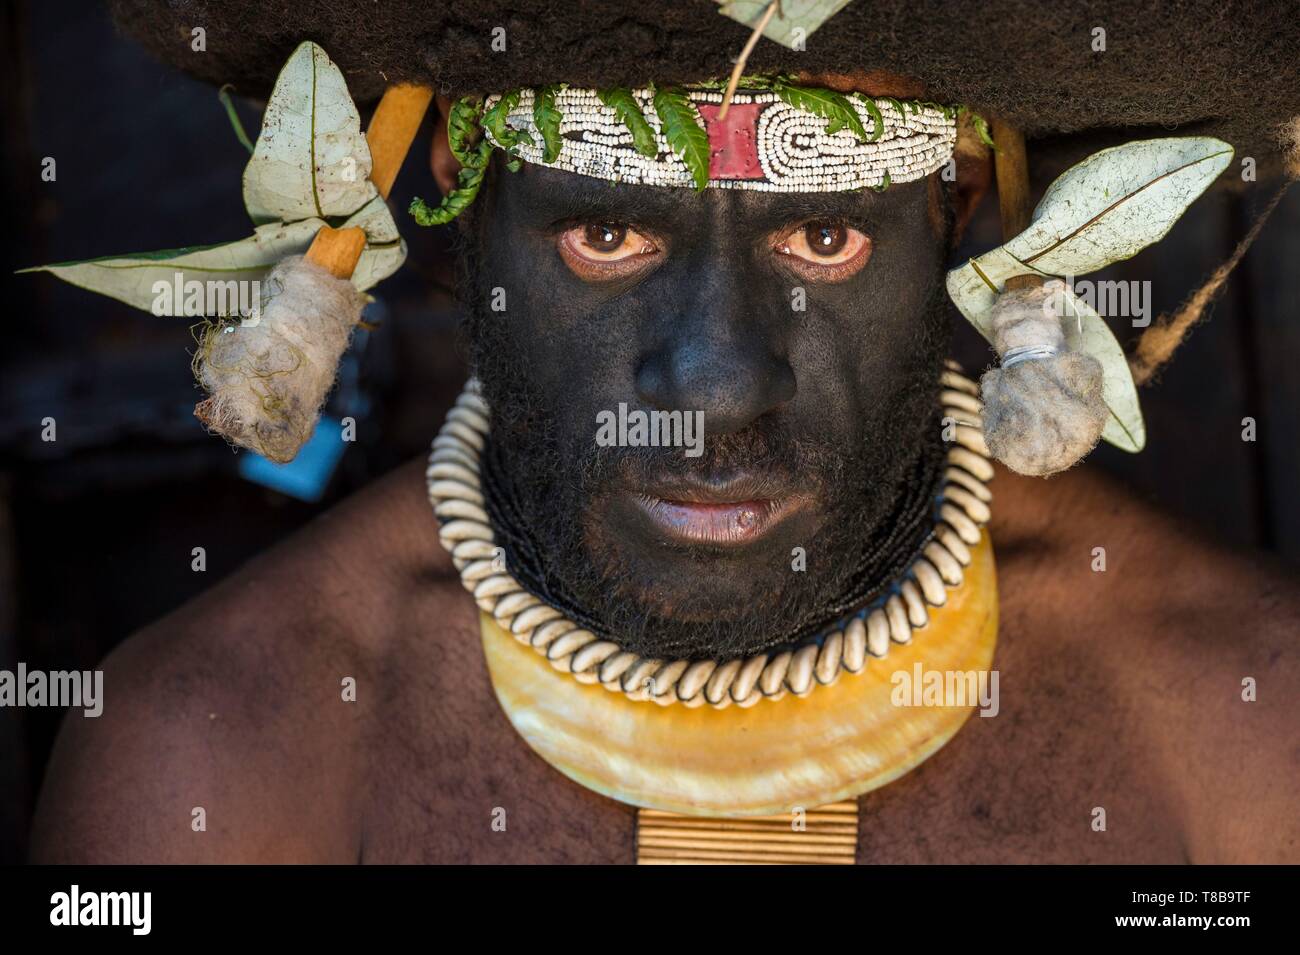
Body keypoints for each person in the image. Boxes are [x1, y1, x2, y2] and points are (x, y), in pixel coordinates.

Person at [30, 0, 1300, 863]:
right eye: (607, 233)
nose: (717, 385)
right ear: (464, 232)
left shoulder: (1244, 726)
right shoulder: (204, 760)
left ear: (955, 222)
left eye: (824, 234)